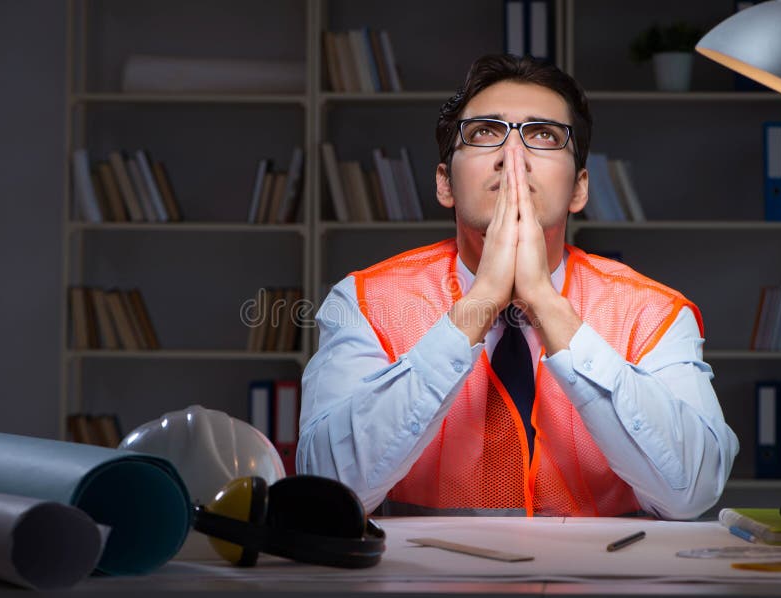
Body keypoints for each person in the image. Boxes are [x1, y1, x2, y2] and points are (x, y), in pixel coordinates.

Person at [296, 53, 738, 519]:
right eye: (486, 133)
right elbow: (327, 487)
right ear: (445, 184)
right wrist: (479, 304)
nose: (514, 156)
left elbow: (692, 490)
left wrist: (545, 304)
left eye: (543, 135)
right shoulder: (364, 302)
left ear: (579, 190)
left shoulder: (654, 312)